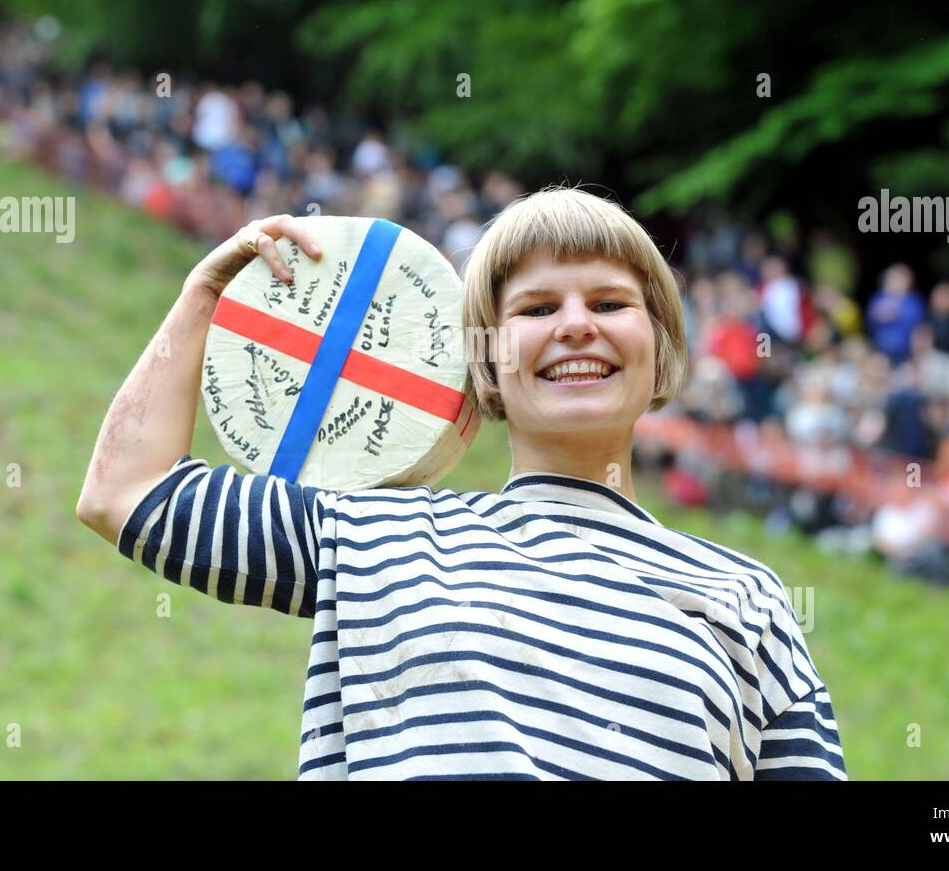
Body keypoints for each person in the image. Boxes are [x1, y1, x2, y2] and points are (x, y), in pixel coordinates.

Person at [75, 186, 847, 780]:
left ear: (662, 350)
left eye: (609, 302)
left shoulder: (746, 597)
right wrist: (206, 297)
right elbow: (123, 492)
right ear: (486, 364)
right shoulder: (368, 533)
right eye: (538, 308)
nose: (576, 324)